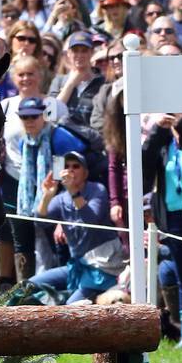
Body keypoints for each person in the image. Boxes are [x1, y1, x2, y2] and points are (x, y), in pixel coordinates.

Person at [29, 151, 120, 304]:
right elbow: (41, 223)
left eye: (75, 166)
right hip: (77, 265)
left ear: (86, 173)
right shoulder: (60, 199)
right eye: (66, 166)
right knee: (29, 286)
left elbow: (91, 220)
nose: (70, 170)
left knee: (71, 308)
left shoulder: (98, 189)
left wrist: (73, 192)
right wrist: (46, 196)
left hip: (102, 268)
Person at [142, 112, 182, 345]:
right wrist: (157, 131)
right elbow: (143, 166)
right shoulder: (164, 143)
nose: (175, 114)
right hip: (173, 217)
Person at [15, 95, 88, 273]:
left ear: (43, 116)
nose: (29, 121)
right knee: (42, 247)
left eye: (34, 116)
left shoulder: (59, 139)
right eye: (24, 117)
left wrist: (62, 220)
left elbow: (69, 178)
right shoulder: (23, 141)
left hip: (66, 200)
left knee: (62, 251)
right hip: (40, 201)